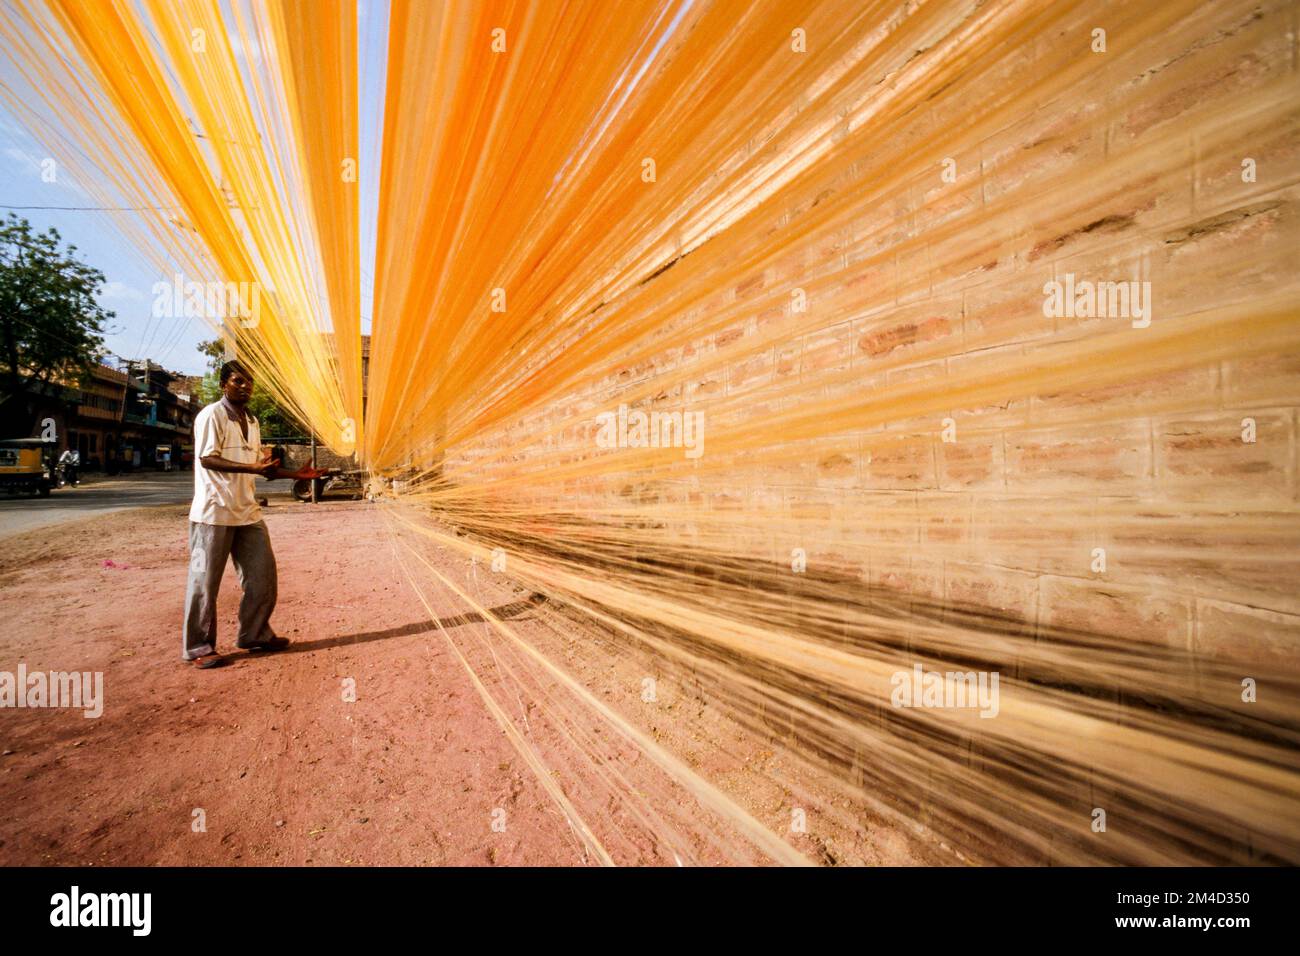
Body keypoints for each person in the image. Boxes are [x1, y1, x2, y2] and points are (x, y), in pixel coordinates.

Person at [182, 360, 325, 669]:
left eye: (249, 382)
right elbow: (207, 459)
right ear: (223, 385)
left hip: (246, 512)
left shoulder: (253, 421)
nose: (245, 386)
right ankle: (199, 647)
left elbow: (264, 470)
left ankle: (254, 634)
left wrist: (299, 476)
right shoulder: (212, 415)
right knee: (204, 583)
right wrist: (253, 467)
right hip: (212, 514)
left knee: (262, 577)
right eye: (237, 381)